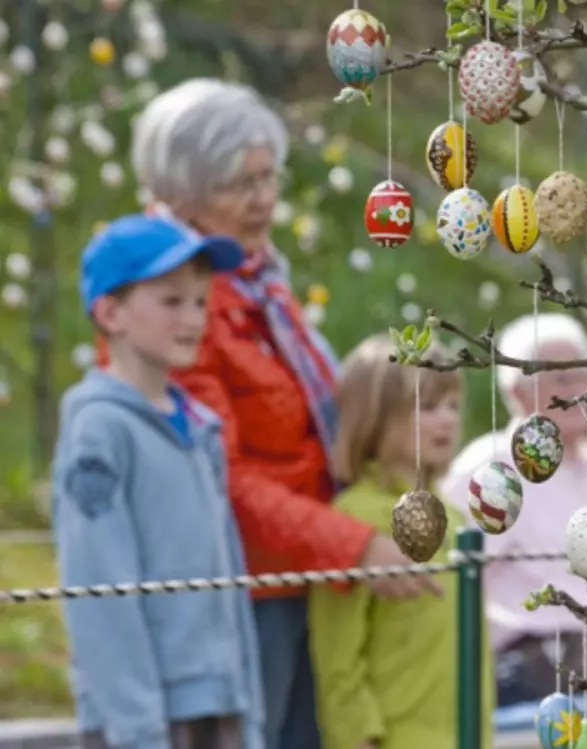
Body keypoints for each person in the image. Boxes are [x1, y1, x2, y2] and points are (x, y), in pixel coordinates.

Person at [109, 78, 425, 749]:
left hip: (301, 566)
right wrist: (354, 543)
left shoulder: (262, 282)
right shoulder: (181, 307)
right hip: (246, 588)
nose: (263, 200)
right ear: (186, 190)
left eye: (267, 177)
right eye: (238, 183)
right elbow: (222, 474)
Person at [54, 214, 263, 749]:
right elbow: (100, 596)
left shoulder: (201, 426)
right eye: (171, 302)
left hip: (221, 707)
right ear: (110, 312)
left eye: (199, 301)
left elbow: (230, 580)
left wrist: (250, 712)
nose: (193, 317)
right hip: (144, 722)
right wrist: (139, 733)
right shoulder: (97, 430)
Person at [441, 313, 587, 706]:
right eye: (560, 378)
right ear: (517, 394)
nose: (577, 390)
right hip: (549, 654)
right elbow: (455, 581)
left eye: (583, 375)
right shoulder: (492, 467)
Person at [308, 334, 493, 749]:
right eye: (426, 407)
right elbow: (338, 662)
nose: (446, 420)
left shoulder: (458, 517)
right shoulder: (354, 520)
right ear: (374, 417)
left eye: (451, 406)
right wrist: (358, 738)